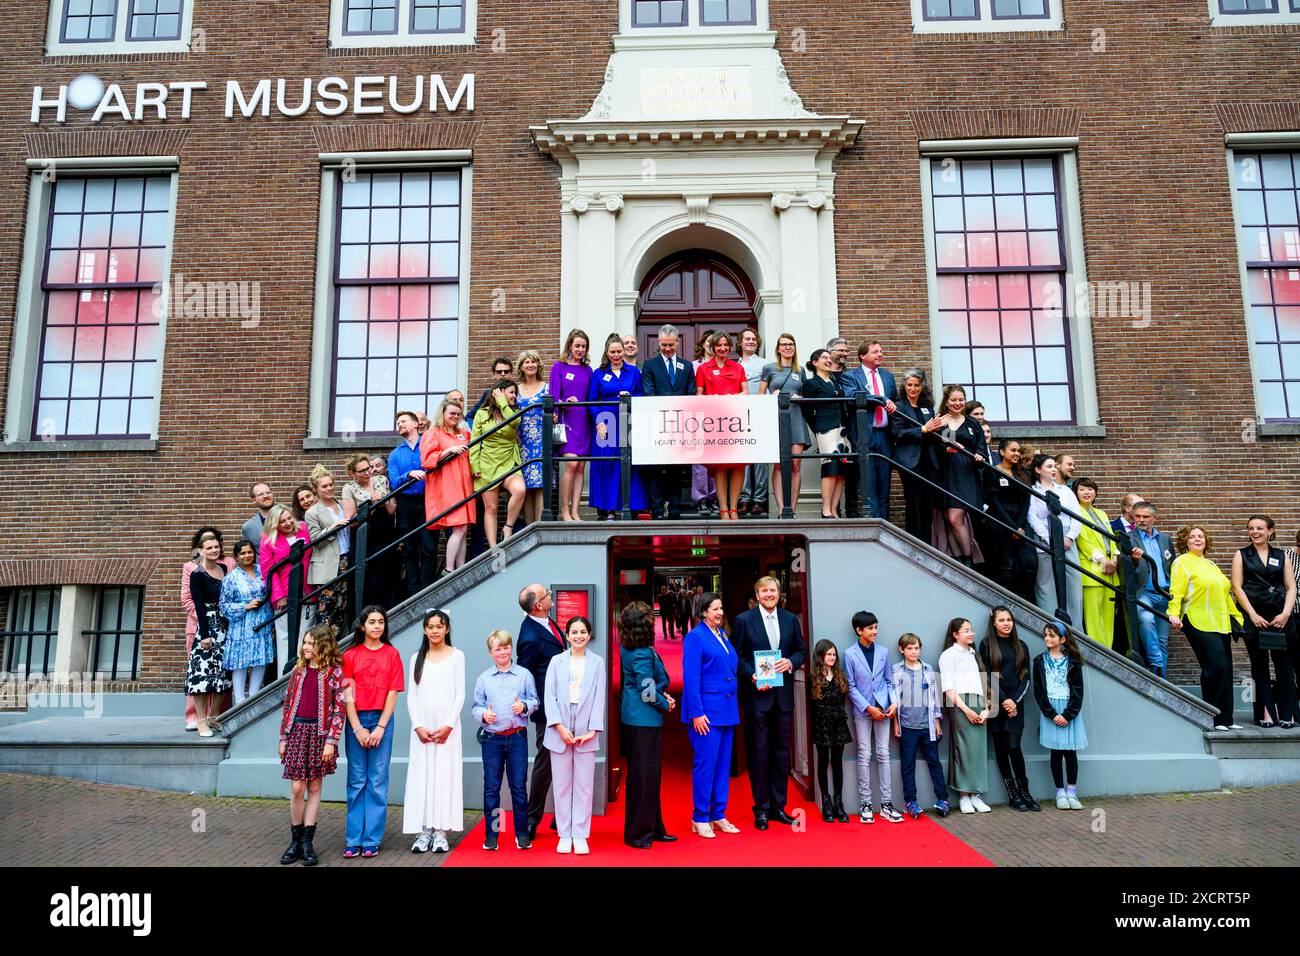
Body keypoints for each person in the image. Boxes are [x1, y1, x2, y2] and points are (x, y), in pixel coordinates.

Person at [733, 576, 808, 829]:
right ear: (756, 594)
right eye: (764, 591)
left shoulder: (789, 620)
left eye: (773, 590)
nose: (769, 594)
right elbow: (737, 658)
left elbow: (801, 651)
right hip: (757, 698)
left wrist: (791, 662)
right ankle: (761, 808)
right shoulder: (744, 620)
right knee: (759, 754)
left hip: (783, 698)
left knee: (781, 754)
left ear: (779, 593)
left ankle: (779, 806)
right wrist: (751, 674)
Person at [277, 624, 346, 866]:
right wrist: (283, 737)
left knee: (315, 787)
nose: (305, 647)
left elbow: (340, 708)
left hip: (320, 736)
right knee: (297, 787)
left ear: (322, 645)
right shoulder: (298, 671)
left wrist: (331, 741)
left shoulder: (334, 673)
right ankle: (294, 839)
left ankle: (307, 841)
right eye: (304, 642)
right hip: (297, 733)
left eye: (310, 643)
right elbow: (287, 706)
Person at [342, 606, 404, 859]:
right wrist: (357, 728)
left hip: (382, 719)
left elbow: (393, 692)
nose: (377, 626)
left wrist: (379, 727)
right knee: (356, 781)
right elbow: (348, 696)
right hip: (357, 719)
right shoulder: (350, 655)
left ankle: (372, 839)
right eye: (372, 622)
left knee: (377, 781)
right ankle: (353, 839)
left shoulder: (392, 654)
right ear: (362, 626)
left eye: (381, 622)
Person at [1167, 526, 1243, 731]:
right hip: (1197, 620)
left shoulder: (1210, 564)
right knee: (1215, 666)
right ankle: (1212, 717)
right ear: (1185, 542)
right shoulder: (1182, 562)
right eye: (1192, 537)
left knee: (1226, 669)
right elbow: (1176, 590)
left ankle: (1226, 719)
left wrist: (1238, 619)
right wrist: (1172, 612)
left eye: (1200, 536)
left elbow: (1225, 594)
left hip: (1221, 623)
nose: (1197, 539)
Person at [543, 615, 606, 855]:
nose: (578, 636)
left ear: (589, 635)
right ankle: (564, 833)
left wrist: (592, 730)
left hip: (586, 726)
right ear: (567, 636)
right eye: (574, 632)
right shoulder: (556, 661)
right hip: (560, 725)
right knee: (561, 785)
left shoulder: (597, 662)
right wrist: (558, 726)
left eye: (583, 632)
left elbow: (599, 697)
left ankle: (580, 834)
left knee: (583, 785)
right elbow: (549, 696)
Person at [404, 609, 465, 854]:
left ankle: (441, 831)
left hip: (447, 728)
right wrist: (418, 725)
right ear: (424, 629)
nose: (435, 630)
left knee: (444, 774)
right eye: (431, 626)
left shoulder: (457, 656)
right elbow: (411, 695)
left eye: (440, 626)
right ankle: (424, 830)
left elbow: (460, 693)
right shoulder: (416, 658)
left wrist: (449, 725)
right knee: (423, 775)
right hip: (422, 729)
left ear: (447, 629)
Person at [471, 629, 538, 851]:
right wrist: (483, 715)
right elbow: (476, 706)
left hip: (517, 738)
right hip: (492, 740)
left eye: (506, 647)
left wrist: (525, 706)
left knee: (518, 787)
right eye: (498, 648)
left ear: (511, 649)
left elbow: (534, 700)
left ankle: (521, 833)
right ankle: (492, 834)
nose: (503, 652)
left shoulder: (524, 675)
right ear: (491, 652)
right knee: (492, 788)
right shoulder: (483, 679)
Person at [618, 601, 677, 849]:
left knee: (645, 777)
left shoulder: (629, 647)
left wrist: (662, 696)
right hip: (643, 719)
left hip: (635, 717)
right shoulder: (641, 652)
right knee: (645, 778)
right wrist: (666, 703)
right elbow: (647, 691)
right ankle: (639, 833)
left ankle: (651, 827)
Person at [682, 591, 741, 838]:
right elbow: (691, 677)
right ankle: (700, 816)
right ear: (703, 611)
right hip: (706, 713)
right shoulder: (696, 637)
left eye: (721, 608)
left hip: (727, 710)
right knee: (706, 765)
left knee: (722, 765)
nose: (719, 612)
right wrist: (696, 712)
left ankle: (718, 813)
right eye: (714, 609)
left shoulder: (722, 634)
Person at [1231, 516, 1298, 728]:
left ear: (1270, 530)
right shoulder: (1241, 555)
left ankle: (1289, 714)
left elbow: (1291, 587)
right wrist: (1252, 614)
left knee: (1284, 666)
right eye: (1251, 528)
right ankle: (1266, 714)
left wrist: (1286, 613)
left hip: (1279, 617)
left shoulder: (1282, 555)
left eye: (1259, 528)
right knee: (1259, 666)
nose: (1255, 532)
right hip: (1255, 618)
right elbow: (1237, 587)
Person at [517, 583, 569, 840]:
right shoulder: (529, 636)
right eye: (546, 594)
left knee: (561, 760)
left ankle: (561, 817)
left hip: (563, 703)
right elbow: (525, 676)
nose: (551, 595)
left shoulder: (548, 622)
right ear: (538, 605)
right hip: (547, 711)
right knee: (546, 762)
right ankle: (532, 818)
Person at [843, 610, 902, 824]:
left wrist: (893, 702)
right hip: (863, 711)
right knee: (864, 754)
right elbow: (850, 686)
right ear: (859, 630)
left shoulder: (884, 652)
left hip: (885, 710)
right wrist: (869, 708)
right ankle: (865, 804)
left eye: (876, 627)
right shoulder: (849, 654)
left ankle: (886, 804)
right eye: (870, 628)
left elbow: (888, 681)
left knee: (884, 754)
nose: (875, 631)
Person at [978, 607, 1039, 813]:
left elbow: (1026, 677)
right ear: (994, 623)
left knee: (1014, 746)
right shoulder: (987, 645)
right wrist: (1004, 701)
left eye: (1009, 619)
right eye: (1001, 620)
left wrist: (1014, 702)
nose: (1006, 623)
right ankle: (1013, 794)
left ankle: (1025, 792)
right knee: (1002, 750)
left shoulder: (1021, 645)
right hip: (996, 704)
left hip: (1016, 705)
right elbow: (986, 675)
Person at [891, 633, 950, 819]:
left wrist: (937, 721)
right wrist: (896, 722)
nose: (913, 651)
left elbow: (934, 697)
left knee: (934, 762)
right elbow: (894, 698)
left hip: (928, 726)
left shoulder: (927, 669)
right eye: (909, 648)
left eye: (916, 648)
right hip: (907, 726)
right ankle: (911, 801)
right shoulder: (897, 670)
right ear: (902, 650)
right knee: (908, 765)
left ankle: (943, 799)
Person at [588, 334, 648, 519]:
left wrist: (630, 397)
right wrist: (598, 422)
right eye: (612, 352)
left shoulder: (634, 372)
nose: (616, 355)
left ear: (623, 351)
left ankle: (631, 506)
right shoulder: (598, 373)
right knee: (609, 464)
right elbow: (591, 401)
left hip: (629, 423)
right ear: (607, 353)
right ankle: (609, 509)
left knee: (629, 464)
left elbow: (642, 395)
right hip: (606, 425)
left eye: (619, 351)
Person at [180, 527, 233, 730]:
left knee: (221, 674)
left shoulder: (226, 567)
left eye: (215, 543)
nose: (213, 547)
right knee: (200, 673)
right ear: (199, 548)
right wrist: (206, 625)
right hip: (201, 628)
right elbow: (190, 600)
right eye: (207, 543)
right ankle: (195, 718)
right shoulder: (192, 570)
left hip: (224, 628)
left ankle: (214, 716)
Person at [938, 616, 992, 814]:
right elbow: (948, 687)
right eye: (966, 630)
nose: (971, 633)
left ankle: (975, 794)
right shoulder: (948, 655)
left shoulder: (973, 654)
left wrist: (986, 709)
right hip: (960, 704)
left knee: (978, 750)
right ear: (955, 634)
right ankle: (963, 795)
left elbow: (984, 683)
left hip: (978, 703)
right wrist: (966, 710)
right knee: (963, 748)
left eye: (972, 629)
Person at [640, 324, 694, 519]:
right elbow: (648, 392)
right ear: (659, 342)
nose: (668, 349)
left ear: (677, 343)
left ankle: (675, 510)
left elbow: (691, 393)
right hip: (657, 425)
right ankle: (656, 510)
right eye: (664, 345)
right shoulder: (650, 365)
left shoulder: (687, 366)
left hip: (680, 426)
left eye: (671, 345)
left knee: (676, 469)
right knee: (655, 469)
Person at [1032, 621, 1087, 810]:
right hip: (1051, 711)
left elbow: (1078, 691)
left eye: (1052, 635)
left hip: (1068, 710)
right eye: (1046, 634)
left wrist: (1067, 715)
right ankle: (1060, 792)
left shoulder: (1073, 662)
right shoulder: (1039, 661)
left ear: (1062, 639)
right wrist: (1052, 714)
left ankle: (1072, 792)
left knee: (1070, 752)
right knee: (1055, 752)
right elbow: (1038, 691)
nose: (1047, 638)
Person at [841, 341, 898, 520]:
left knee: (884, 483)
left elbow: (894, 402)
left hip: (885, 436)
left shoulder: (888, 377)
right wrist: (880, 399)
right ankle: (873, 522)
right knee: (868, 483)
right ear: (862, 356)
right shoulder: (850, 376)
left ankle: (886, 524)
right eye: (875, 352)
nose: (880, 354)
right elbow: (851, 397)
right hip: (864, 435)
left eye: (881, 351)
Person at [932, 384, 988, 567]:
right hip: (947, 471)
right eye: (953, 400)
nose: (957, 403)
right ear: (947, 402)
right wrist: (949, 447)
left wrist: (979, 453)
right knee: (949, 519)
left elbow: (981, 445)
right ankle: (958, 562)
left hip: (966, 472)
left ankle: (968, 559)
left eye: (961, 400)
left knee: (956, 518)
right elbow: (937, 446)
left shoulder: (972, 423)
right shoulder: (942, 421)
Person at [695, 331, 748, 520]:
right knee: (720, 466)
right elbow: (699, 394)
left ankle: (734, 508)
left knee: (738, 465)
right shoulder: (703, 368)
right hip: (714, 423)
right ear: (713, 347)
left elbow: (745, 392)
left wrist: (731, 398)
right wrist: (713, 399)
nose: (723, 349)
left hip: (735, 422)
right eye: (719, 345)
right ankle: (723, 509)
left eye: (726, 345)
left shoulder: (737, 367)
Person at [1027, 454, 1084, 629]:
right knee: (1046, 586)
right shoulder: (1033, 491)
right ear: (1038, 470)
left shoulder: (1065, 491)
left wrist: (1070, 537)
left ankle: (1076, 632)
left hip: (1067, 540)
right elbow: (1032, 516)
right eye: (1049, 467)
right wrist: (1048, 538)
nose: (1054, 470)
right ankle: (1051, 629)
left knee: (1073, 586)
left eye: (1054, 467)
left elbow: (1077, 516)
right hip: (1045, 539)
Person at [421, 396, 475, 574]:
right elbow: (427, 460)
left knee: (464, 527)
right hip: (447, 485)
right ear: (442, 413)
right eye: (452, 413)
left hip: (464, 483)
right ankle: (449, 568)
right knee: (459, 526)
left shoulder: (464, 434)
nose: (455, 416)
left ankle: (461, 568)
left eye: (459, 414)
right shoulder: (433, 433)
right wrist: (447, 451)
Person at [759, 332, 809, 518]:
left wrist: (801, 398)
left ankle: (792, 510)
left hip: (796, 418)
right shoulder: (769, 368)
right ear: (778, 349)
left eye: (791, 344)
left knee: (796, 464)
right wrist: (771, 397)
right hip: (776, 419)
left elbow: (805, 395)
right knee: (779, 465)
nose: (788, 347)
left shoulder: (800, 370)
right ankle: (781, 509)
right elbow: (760, 397)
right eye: (784, 344)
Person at [220, 538, 274, 706]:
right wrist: (245, 606)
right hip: (241, 625)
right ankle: (240, 703)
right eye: (242, 553)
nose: (247, 555)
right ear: (236, 557)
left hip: (262, 623)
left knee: (260, 661)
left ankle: (254, 698)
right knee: (240, 663)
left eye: (249, 552)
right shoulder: (231, 578)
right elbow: (224, 605)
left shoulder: (263, 571)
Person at [470, 379, 525, 546]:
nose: (515, 396)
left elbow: (514, 422)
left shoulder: (515, 411)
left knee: (520, 490)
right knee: (491, 509)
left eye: (515, 392)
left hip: (509, 461)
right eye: (511, 392)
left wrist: (503, 403)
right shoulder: (482, 413)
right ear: (499, 392)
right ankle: (494, 548)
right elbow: (475, 441)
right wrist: (475, 466)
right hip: (487, 464)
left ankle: (508, 527)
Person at [259, 505, 312, 674]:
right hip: (283, 593)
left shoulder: (304, 529)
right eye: (282, 521)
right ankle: (286, 678)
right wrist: (279, 596)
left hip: (307, 589)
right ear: (274, 524)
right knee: (285, 637)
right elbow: (268, 570)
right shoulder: (268, 540)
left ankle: (303, 674)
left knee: (305, 634)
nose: (288, 523)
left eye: (290, 518)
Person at [389, 410, 437, 596]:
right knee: (409, 548)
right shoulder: (395, 454)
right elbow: (393, 482)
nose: (399, 424)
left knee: (429, 547)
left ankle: (427, 589)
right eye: (398, 422)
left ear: (416, 424)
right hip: (405, 503)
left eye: (403, 421)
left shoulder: (428, 445)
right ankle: (412, 591)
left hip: (427, 500)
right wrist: (407, 475)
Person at [341, 453, 397, 609]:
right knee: (368, 579)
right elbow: (350, 520)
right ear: (352, 473)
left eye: (368, 468)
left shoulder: (381, 480)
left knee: (386, 576)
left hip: (385, 533)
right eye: (362, 471)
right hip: (365, 537)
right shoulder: (349, 488)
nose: (367, 472)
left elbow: (392, 510)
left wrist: (383, 501)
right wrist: (370, 505)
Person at [984, 439, 1037, 602]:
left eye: (1018, 451)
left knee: (1029, 562)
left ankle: (1027, 602)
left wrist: (1019, 525)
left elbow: (1026, 500)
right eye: (1013, 450)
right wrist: (1011, 527)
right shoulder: (992, 471)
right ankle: (1006, 602)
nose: (1016, 454)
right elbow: (993, 500)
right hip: (1000, 521)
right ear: (1002, 452)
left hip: (1020, 522)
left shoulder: (1023, 473)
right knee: (1006, 563)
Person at [890, 368, 939, 541]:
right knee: (914, 503)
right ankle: (914, 542)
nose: (913, 389)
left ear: (921, 386)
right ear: (904, 386)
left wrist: (947, 436)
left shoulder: (927, 408)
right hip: (910, 462)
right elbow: (898, 433)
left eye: (916, 385)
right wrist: (923, 429)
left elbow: (935, 432)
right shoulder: (899, 406)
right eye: (909, 385)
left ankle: (927, 543)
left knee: (928, 504)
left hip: (929, 460)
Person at [1127, 500, 1175, 677]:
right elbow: (1124, 569)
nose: (1141, 520)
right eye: (1138, 516)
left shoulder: (1165, 539)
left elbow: (1172, 566)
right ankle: (1155, 662)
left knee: (1162, 640)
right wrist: (1134, 560)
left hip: (1165, 593)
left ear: (1154, 518)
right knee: (1146, 620)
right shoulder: (1129, 538)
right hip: (1144, 592)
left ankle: (1160, 680)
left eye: (1146, 516)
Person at [551, 329, 594, 522]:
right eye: (577, 346)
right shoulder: (558, 367)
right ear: (570, 345)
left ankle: (575, 511)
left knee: (581, 467)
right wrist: (564, 401)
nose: (580, 350)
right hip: (567, 419)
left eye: (583, 347)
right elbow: (552, 396)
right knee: (571, 464)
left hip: (584, 422)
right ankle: (564, 510)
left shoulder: (588, 370)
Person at [808, 639, 852, 823]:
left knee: (837, 762)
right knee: (823, 761)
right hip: (821, 725)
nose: (832, 657)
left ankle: (838, 801)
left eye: (834, 654)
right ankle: (826, 801)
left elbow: (842, 702)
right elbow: (811, 707)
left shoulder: (840, 675)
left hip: (838, 723)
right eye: (828, 654)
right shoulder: (813, 678)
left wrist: (837, 716)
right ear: (820, 656)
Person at [802, 348, 849, 519]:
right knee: (830, 466)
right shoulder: (811, 384)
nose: (829, 360)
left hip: (843, 430)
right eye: (825, 357)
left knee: (842, 468)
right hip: (826, 428)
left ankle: (834, 510)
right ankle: (826, 509)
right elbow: (807, 410)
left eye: (830, 357)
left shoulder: (836, 381)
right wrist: (818, 429)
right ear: (815, 363)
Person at [305, 464, 352, 631]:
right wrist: (333, 527)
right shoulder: (312, 512)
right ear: (316, 489)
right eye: (324, 486)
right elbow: (316, 540)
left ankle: (339, 646)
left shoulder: (341, 504)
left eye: (331, 484)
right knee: (327, 609)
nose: (329, 488)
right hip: (328, 565)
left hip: (347, 558)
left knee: (343, 606)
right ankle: (322, 649)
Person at [1075, 478, 1120, 647]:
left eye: (1090, 489)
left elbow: (1112, 538)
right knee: (1094, 617)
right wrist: (1103, 560)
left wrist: (1115, 558)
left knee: (1108, 616)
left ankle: (1108, 650)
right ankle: (1098, 652)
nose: (1087, 493)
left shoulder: (1102, 513)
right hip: (1092, 570)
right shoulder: (1076, 511)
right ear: (1076, 493)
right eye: (1082, 490)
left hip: (1110, 570)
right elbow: (1083, 540)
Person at [736, 327, 769, 517]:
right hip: (739, 419)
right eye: (747, 339)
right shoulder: (734, 365)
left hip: (760, 416)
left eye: (753, 339)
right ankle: (744, 498)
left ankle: (759, 500)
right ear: (740, 342)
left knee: (761, 459)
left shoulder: (765, 364)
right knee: (744, 460)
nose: (750, 341)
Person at [515, 349, 550, 526]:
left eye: (533, 362)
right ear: (521, 367)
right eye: (527, 362)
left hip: (542, 440)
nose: (530, 365)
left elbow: (553, 410)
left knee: (541, 485)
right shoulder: (516, 389)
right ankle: (528, 530)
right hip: (522, 442)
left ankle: (540, 526)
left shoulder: (547, 387)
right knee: (526, 487)